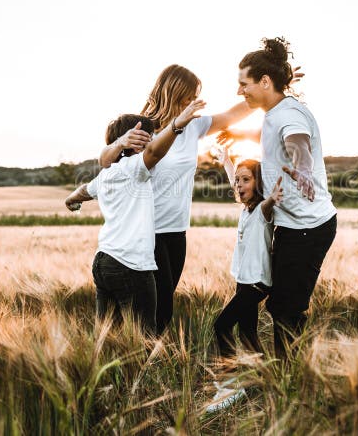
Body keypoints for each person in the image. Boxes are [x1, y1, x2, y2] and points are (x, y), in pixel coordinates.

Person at [97, 64, 302, 335]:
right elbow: (105, 162)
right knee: (156, 313)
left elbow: (233, 114)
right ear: (175, 93)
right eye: (191, 95)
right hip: (146, 232)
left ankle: (132, 364)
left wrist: (276, 84)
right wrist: (120, 142)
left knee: (160, 312)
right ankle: (128, 365)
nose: (194, 101)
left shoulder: (194, 126)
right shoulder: (142, 127)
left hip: (176, 233)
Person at [218, 37, 337, 359]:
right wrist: (240, 134)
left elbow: (297, 141)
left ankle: (287, 377)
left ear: (265, 81)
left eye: (244, 84)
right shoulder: (274, 113)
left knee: (286, 309)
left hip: (309, 228)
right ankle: (283, 371)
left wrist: (304, 169)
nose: (239, 91)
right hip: (291, 224)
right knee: (280, 305)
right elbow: (271, 136)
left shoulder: (289, 115)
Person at [64, 99, 205, 335]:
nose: (152, 140)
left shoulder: (107, 173)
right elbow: (154, 152)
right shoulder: (134, 169)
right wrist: (177, 124)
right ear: (136, 140)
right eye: (149, 136)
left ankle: (105, 372)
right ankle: (139, 373)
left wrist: (71, 200)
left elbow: (83, 191)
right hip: (132, 266)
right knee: (143, 338)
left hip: (103, 262)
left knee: (107, 336)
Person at [205, 146, 283, 413]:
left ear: (258, 183)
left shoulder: (262, 210)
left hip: (256, 283)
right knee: (247, 332)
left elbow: (269, 203)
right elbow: (234, 181)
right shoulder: (246, 208)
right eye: (237, 180)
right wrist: (227, 161)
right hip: (244, 280)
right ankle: (264, 380)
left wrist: (273, 196)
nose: (238, 185)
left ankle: (229, 383)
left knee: (221, 326)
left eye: (246, 179)